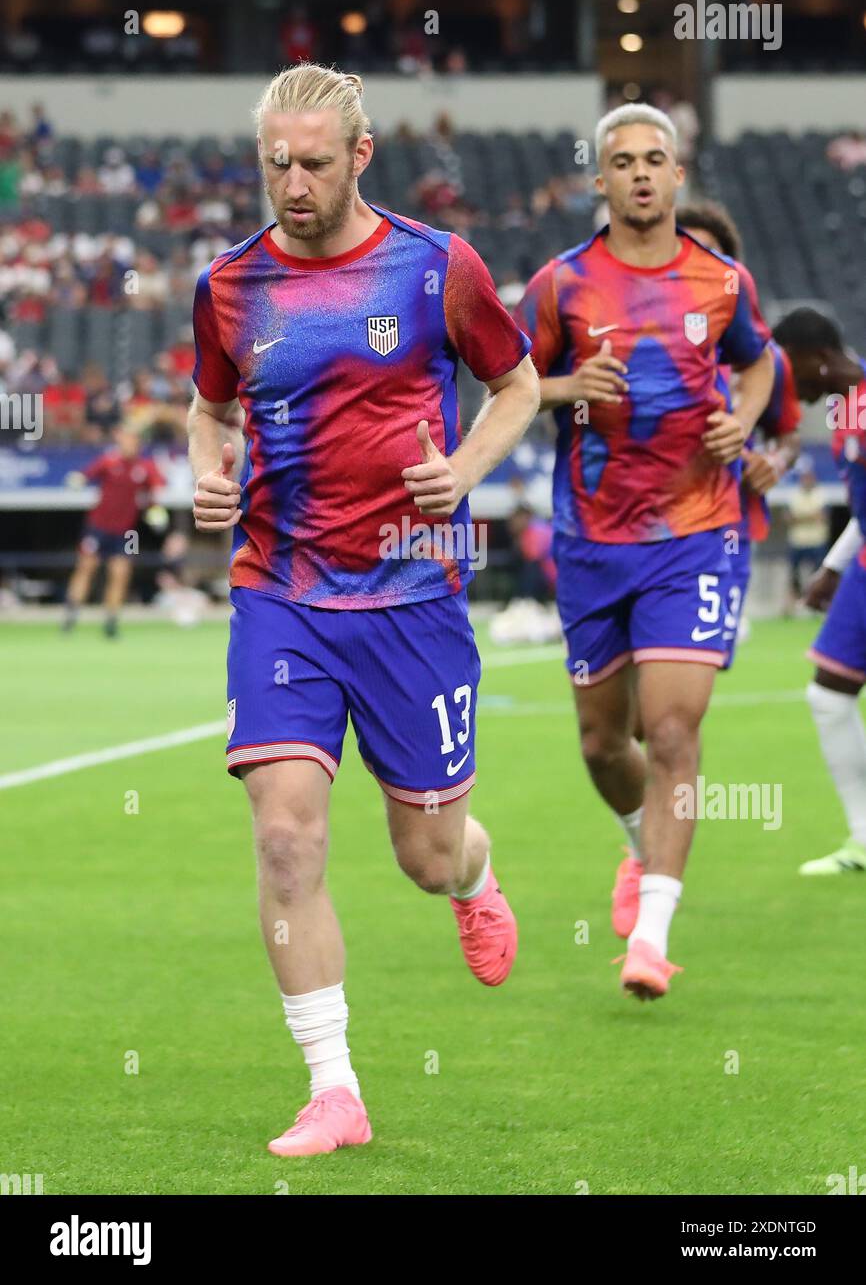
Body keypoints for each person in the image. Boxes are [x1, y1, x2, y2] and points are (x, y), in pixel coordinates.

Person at [187, 64, 539, 1157]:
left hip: (409, 595)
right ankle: (333, 1085)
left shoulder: (436, 268)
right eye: (274, 163)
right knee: (285, 836)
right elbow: (208, 407)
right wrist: (208, 468)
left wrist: (465, 469)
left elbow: (517, 385)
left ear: (361, 156)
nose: (290, 183)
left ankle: (473, 878)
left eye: (312, 163)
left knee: (424, 854)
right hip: (279, 592)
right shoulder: (228, 286)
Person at [515, 103, 774, 1000]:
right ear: (599, 179)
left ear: (677, 176)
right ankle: (638, 847)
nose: (637, 173)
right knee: (602, 742)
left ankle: (652, 938)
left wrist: (739, 422)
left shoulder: (723, 281)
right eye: (620, 160)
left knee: (670, 729)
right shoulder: (559, 287)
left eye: (653, 159)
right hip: (591, 542)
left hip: (696, 534)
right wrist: (562, 385)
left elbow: (760, 363)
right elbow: (504, 383)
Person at [677, 201, 801, 663]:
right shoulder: (638, 346)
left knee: (693, 683)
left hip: (727, 529)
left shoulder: (766, 361)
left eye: (709, 254)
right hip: (640, 529)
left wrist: (774, 462)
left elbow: (787, 435)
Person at [772, 307, 866, 875]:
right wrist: (833, 566)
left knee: (828, 694)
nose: (788, 387)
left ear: (819, 359)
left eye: (791, 372)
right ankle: (862, 836)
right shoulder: (844, 408)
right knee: (828, 693)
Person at [63, 425, 163, 637]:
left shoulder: (145, 468)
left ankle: (111, 621)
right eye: (126, 440)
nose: (129, 445)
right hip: (97, 527)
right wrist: (76, 480)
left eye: (133, 441)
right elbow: (84, 476)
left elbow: (155, 493)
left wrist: (156, 513)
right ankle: (70, 616)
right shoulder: (108, 462)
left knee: (121, 573)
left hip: (128, 533)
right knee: (86, 567)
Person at [784, 463, 830, 609]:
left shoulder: (821, 494)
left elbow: (822, 516)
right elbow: (788, 518)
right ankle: (795, 603)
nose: (807, 480)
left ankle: (816, 602)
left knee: (818, 575)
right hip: (798, 542)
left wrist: (800, 517)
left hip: (816, 541)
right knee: (794, 576)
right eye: (804, 478)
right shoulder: (794, 495)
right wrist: (811, 516)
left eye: (809, 478)